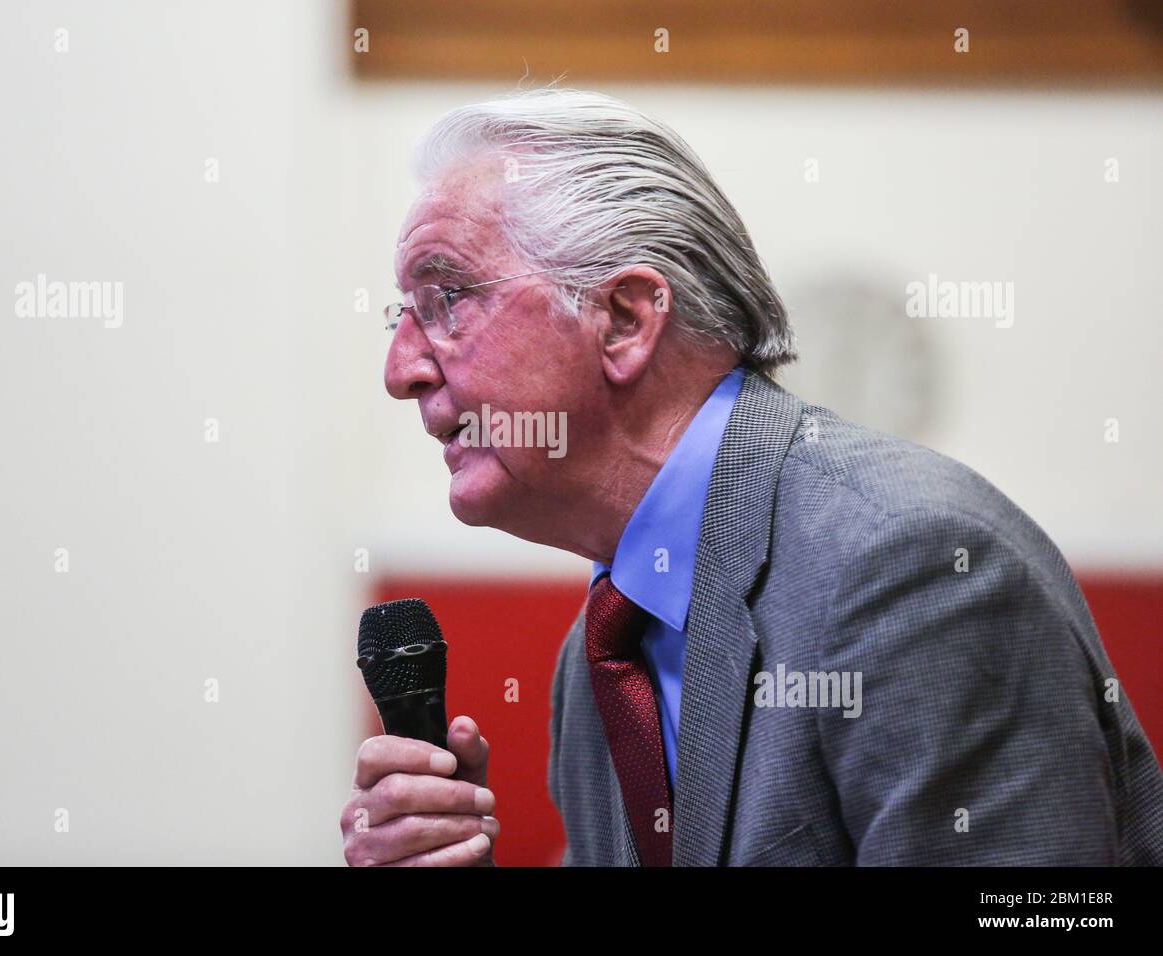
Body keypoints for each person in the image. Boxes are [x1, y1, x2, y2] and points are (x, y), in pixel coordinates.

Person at [340, 88, 1163, 866]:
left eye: (446, 299)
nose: (400, 368)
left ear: (624, 319)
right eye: (401, 316)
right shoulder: (603, 647)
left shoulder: (915, 572)